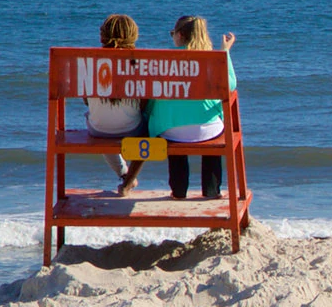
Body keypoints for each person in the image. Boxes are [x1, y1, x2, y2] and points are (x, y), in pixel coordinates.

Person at [145, 14, 237, 200]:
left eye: (172, 33)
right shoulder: (212, 60)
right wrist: (224, 53)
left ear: (180, 35)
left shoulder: (164, 61)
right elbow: (230, 85)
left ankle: (179, 191)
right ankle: (212, 191)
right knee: (211, 135)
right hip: (207, 129)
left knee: (174, 136)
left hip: (171, 130)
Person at [83, 14, 150, 195]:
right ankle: (127, 182)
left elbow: (86, 100)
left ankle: (124, 175)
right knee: (148, 125)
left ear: (102, 37)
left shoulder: (90, 63)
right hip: (132, 129)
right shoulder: (139, 65)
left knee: (100, 120)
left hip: (98, 130)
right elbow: (144, 104)